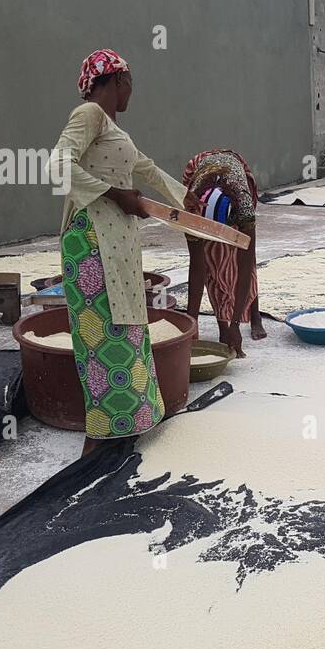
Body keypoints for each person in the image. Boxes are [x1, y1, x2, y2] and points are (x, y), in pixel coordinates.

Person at [52, 49, 193, 456]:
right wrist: (116, 194)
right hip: (92, 242)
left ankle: (123, 431)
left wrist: (187, 201)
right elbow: (58, 164)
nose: (133, 92)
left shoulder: (113, 129)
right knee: (104, 339)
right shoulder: (89, 115)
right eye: (130, 83)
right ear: (117, 81)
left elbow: (145, 168)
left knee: (126, 330)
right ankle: (98, 443)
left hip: (115, 244)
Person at [181, 150, 265, 355]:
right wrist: (192, 324)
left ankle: (254, 315)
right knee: (213, 261)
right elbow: (197, 269)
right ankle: (222, 325)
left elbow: (246, 268)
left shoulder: (244, 208)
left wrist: (236, 324)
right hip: (199, 169)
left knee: (244, 258)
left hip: (235, 169)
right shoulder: (191, 210)